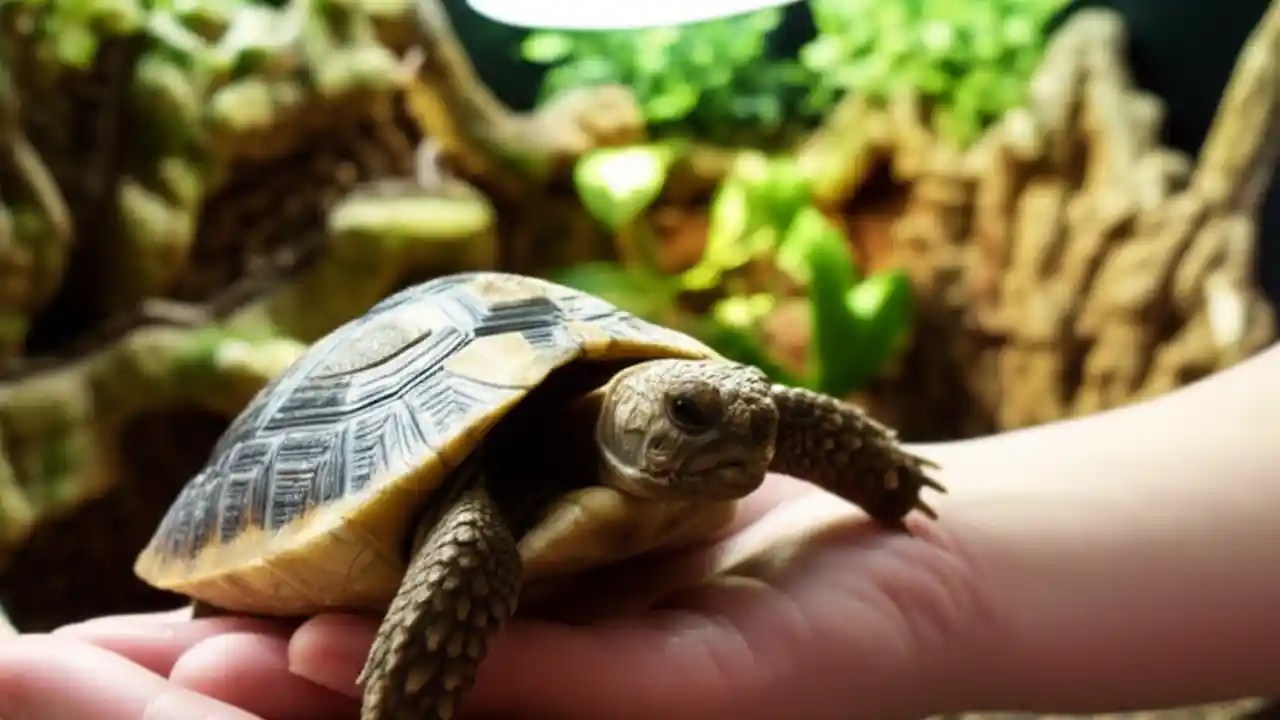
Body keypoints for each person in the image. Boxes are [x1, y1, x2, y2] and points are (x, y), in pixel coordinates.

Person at [3, 2, 1279, 719]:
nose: (727, 437)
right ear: (615, 419)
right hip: (396, 453)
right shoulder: (486, 511)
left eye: (727, 418)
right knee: (468, 538)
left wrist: (908, 522)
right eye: (688, 420)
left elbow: (759, 414)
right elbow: (470, 528)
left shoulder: (714, 411)